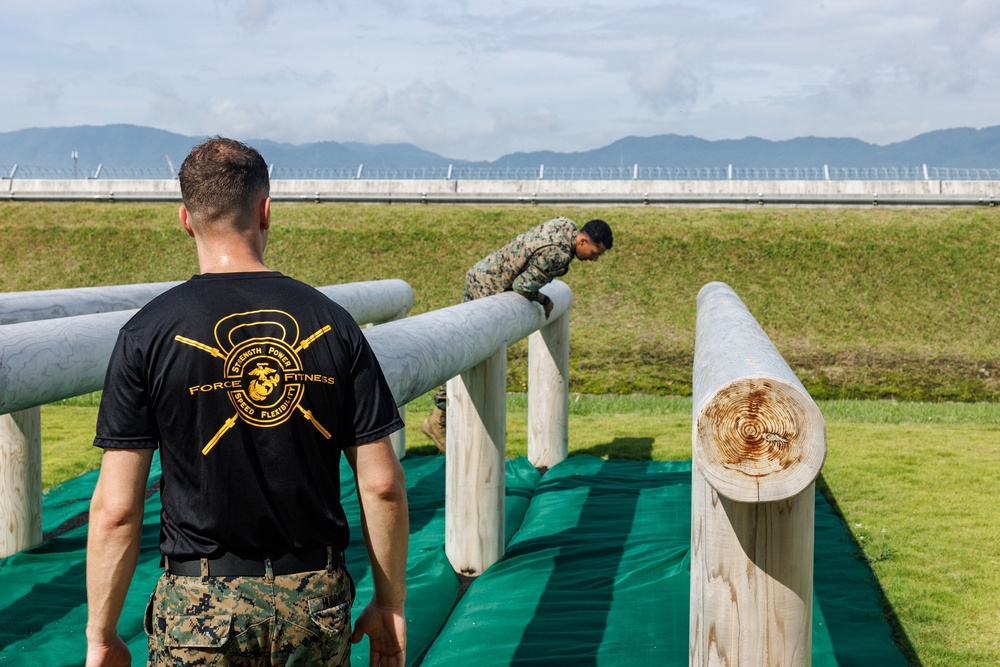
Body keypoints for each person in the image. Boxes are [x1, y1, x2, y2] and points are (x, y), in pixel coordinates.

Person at [84, 137, 408, 667]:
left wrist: (102, 634)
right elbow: (383, 486)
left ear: (186, 219)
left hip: (198, 612)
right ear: (266, 211)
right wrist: (390, 603)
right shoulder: (335, 324)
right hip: (315, 605)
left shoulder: (145, 334)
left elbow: (117, 510)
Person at [421, 216, 613, 451]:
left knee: (473, 354)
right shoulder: (559, 256)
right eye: (595, 252)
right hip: (488, 287)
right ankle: (438, 417)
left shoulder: (566, 225)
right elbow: (524, 286)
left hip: (483, 275)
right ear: (582, 241)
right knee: (470, 353)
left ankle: (450, 417)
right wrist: (542, 298)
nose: (594, 259)